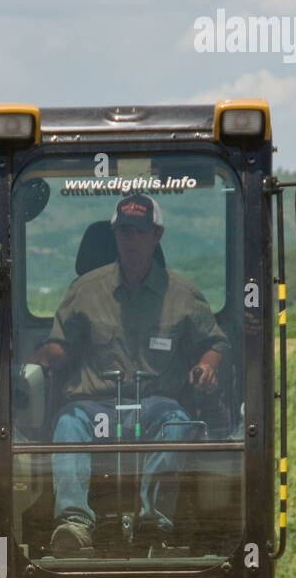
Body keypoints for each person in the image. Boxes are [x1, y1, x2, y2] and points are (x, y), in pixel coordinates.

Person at [35, 194, 230, 553]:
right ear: (115, 234)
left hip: (155, 406)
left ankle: (153, 522)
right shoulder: (86, 291)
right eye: (124, 231)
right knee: (67, 424)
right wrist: (37, 360)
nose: (132, 240)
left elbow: (215, 344)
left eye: (140, 232)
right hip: (95, 407)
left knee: (178, 423)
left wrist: (208, 365)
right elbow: (61, 347)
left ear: (157, 235)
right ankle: (74, 524)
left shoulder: (183, 295)